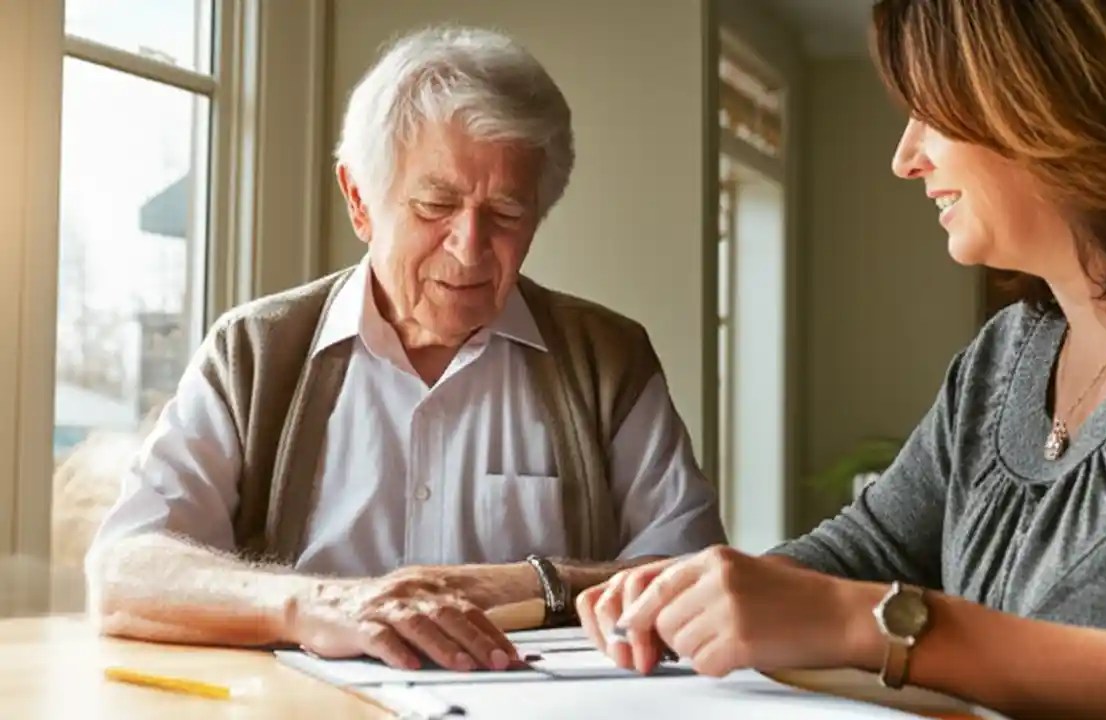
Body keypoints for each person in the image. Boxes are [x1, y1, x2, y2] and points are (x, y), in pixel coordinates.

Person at [577, 1, 1106, 718]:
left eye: (929, 115)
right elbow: (867, 546)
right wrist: (710, 592)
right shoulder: (1005, 355)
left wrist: (872, 623)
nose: (905, 158)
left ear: (1048, 101)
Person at [85, 26, 725, 673]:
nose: (470, 247)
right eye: (435, 204)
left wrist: (532, 583)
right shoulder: (254, 351)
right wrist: (321, 604)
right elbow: (126, 571)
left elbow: (695, 579)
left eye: (505, 214)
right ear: (360, 201)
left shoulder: (607, 359)